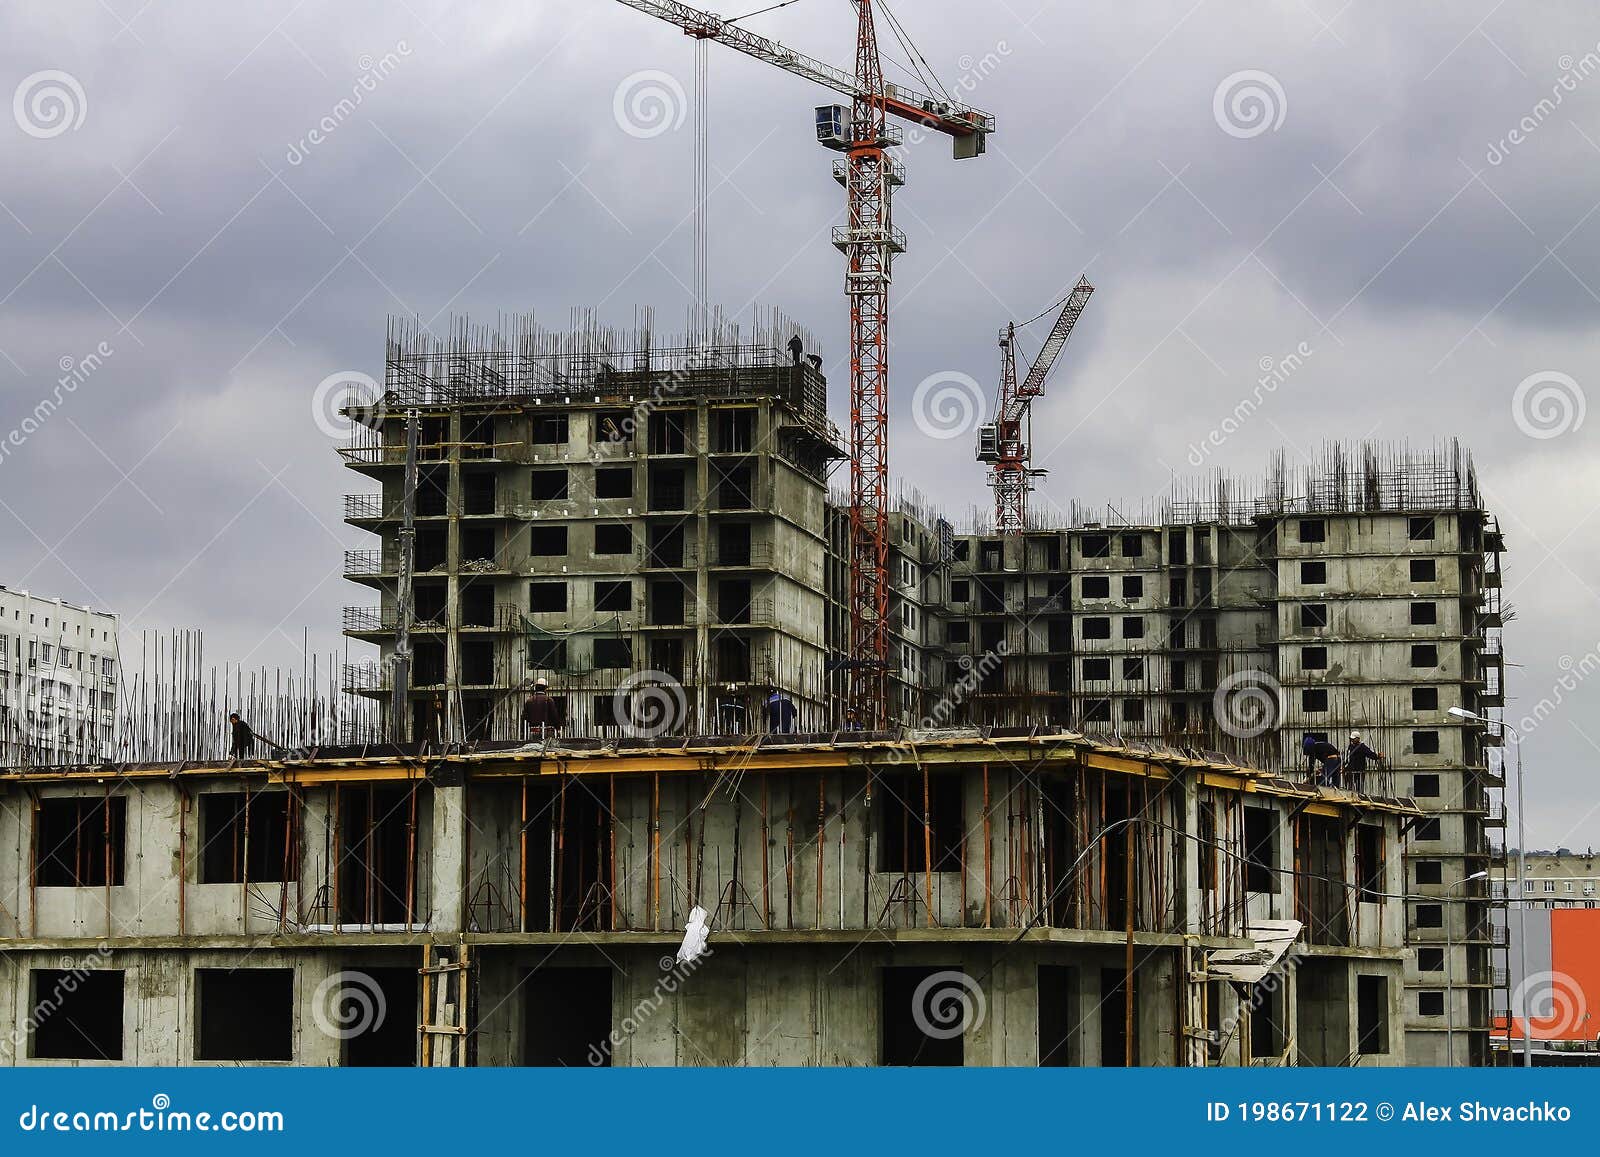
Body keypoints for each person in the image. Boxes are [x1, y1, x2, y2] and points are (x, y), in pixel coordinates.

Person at [1343, 730, 1385, 795]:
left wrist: (1377, 756)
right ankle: (1350, 795)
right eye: (1351, 739)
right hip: (1351, 769)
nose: (1352, 740)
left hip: (1359, 768)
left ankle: (1359, 795)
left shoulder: (1362, 747)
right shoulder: (1350, 746)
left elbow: (1370, 754)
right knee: (1349, 785)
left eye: (1353, 739)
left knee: (1358, 785)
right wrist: (1344, 767)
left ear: (1358, 739)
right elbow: (1348, 758)